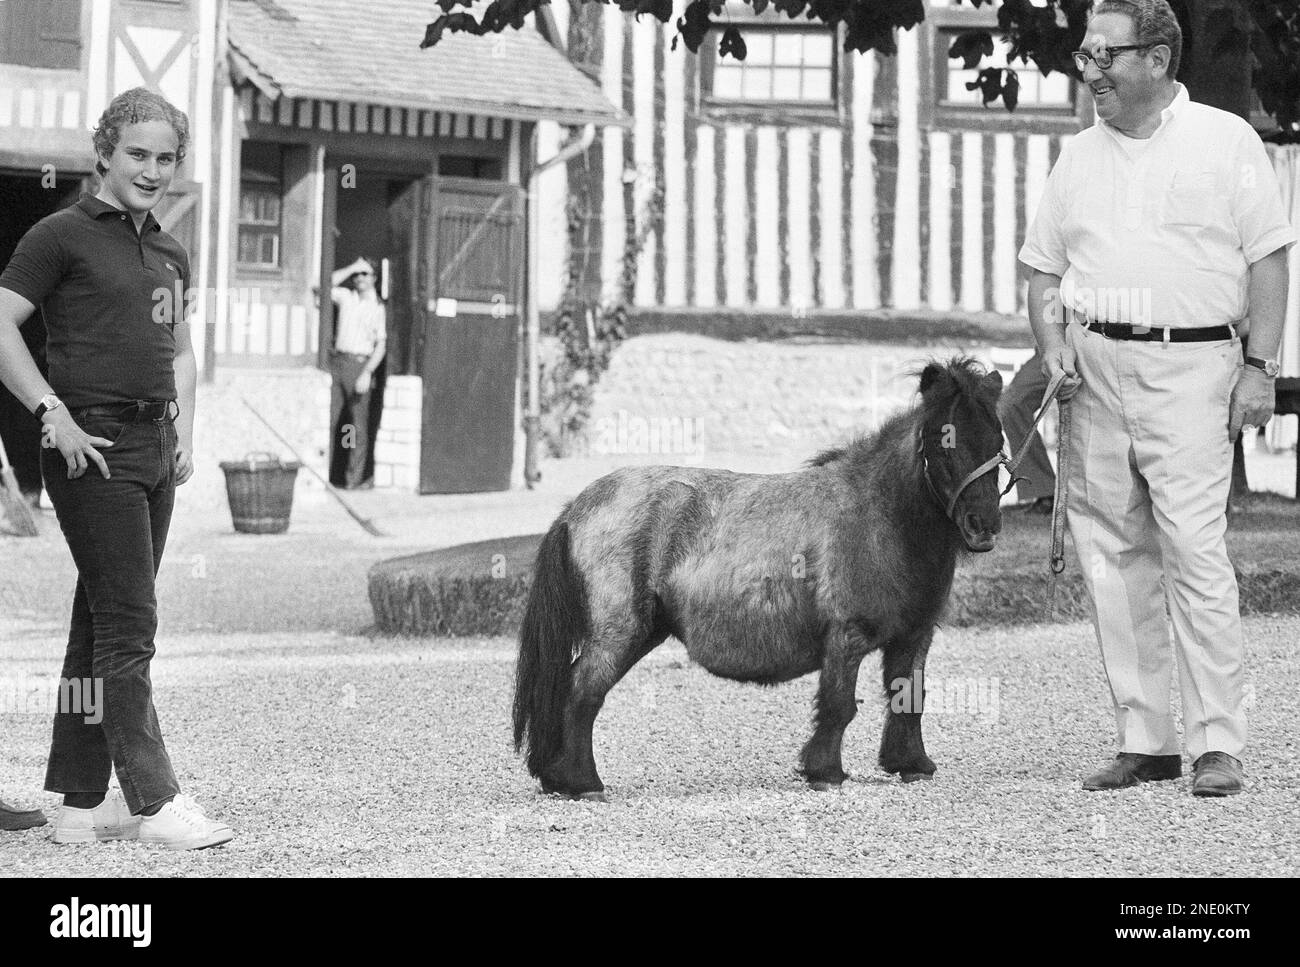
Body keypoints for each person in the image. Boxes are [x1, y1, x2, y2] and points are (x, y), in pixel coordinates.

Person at [1018, 0, 1293, 797]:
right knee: (1112, 558)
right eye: (1085, 55)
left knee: (1195, 553)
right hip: (1095, 370)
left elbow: (1269, 260)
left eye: (1105, 55)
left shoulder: (1225, 141)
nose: (1089, 70)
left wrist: (1260, 366)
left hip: (1194, 368)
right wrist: (1053, 344)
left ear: (1159, 60)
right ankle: (1147, 739)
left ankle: (1218, 743)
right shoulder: (1076, 159)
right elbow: (1042, 271)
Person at [0, 87, 234, 848]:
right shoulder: (59, 235)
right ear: (105, 151)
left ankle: (78, 800)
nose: (153, 169)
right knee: (131, 624)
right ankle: (155, 799)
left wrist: (185, 434)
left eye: (167, 158)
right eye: (138, 153)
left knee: (97, 620)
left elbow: (183, 350)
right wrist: (50, 411)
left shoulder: (168, 247)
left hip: (154, 448)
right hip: (89, 447)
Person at [327, 256, 386, 489]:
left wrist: (367, 373)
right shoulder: (346, 297)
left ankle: (352, 479)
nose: (360, 278)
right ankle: (330, 476)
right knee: (335, 422)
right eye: (357, 275)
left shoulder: (379, 308)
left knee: (354, 425)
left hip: (359, 365)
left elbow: (381, 345)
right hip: (339, 362)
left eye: (365, 274)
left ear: (374, 278)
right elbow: (320, 285)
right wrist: (352, 265)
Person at [998, 348, 1056, 512]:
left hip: (1099, 343)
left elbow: (1137, 328)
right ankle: (1045, 492)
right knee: (1011, 404)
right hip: (1051, 345)